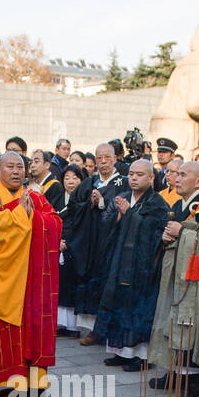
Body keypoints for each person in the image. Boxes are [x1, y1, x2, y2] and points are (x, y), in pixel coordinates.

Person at [0, 151, 61, 397]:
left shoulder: (33, 196)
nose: (16, 171)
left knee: (29, 327)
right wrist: (21, 215)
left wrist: (34, 216)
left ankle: (32, 379)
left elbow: (54, 222)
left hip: (29, 276)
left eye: (20, 167)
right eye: (10, 166)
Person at [148, 161, 199, 397]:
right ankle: (173, 371)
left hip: (196, 278)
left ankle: (194, 377)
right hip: (175, 275)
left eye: (183, 174)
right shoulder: (181, 205)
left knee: (190, 322)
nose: (177, 178)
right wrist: (166, 236)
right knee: (170, 318)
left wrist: (183, 232)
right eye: (176, 174)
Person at [92, 159, 171, 371]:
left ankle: (141, 356)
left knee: (138, 309)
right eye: (131, 174)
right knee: (118, 303)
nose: (134, 178)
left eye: (140, 174)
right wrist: (118, 216)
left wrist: (130, 215)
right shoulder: (123, 197)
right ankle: (120, 352)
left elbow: (155, 234)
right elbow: (105, 222)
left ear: (151, 178)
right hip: (118, 261)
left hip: (141, 266)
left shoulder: (157, 203)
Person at [75, 143, 127, 344]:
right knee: (91, 281)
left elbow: (120, 208)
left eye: (107, 157)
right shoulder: (89, 182)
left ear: (115, 159)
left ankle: (105, 330)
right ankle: (92, 329)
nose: (103, 161)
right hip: (91, 241)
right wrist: (89, 203)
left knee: (108, 283)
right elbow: (75, 206)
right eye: (99, 158)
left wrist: (103, 202)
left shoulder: (123, 183)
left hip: (111, 241)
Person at [54, 164, 89, 337]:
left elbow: (84, 227)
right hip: (57, 246)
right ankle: (59, 323)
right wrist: (56, 240)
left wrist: (70, 242)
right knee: (59, 285)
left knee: (72, 284)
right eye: (67, 178)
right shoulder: (57, 199)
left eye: (75, 178)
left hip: (75, 247)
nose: (70, 181)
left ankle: (73, 327)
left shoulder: (84, 200)